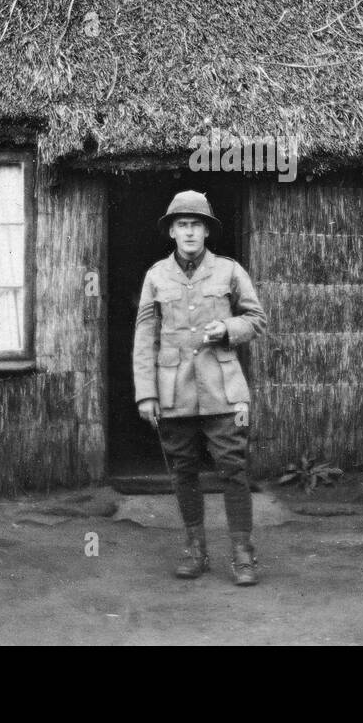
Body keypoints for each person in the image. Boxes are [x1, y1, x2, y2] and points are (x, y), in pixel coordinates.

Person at [132, 190, 267, 585]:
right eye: (182, 225)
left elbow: (257, 319)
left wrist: (228, 328)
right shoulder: (156, 276)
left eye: (196, 225)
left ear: (207, 231)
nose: (190, 232)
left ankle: (243, 554)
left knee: (233, 469)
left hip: (223, 389)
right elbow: (145, 336)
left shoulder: (229, 271)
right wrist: (147, 393)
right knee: (182, 471)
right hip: (173, 391)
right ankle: (195, 549)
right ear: (172, 231)